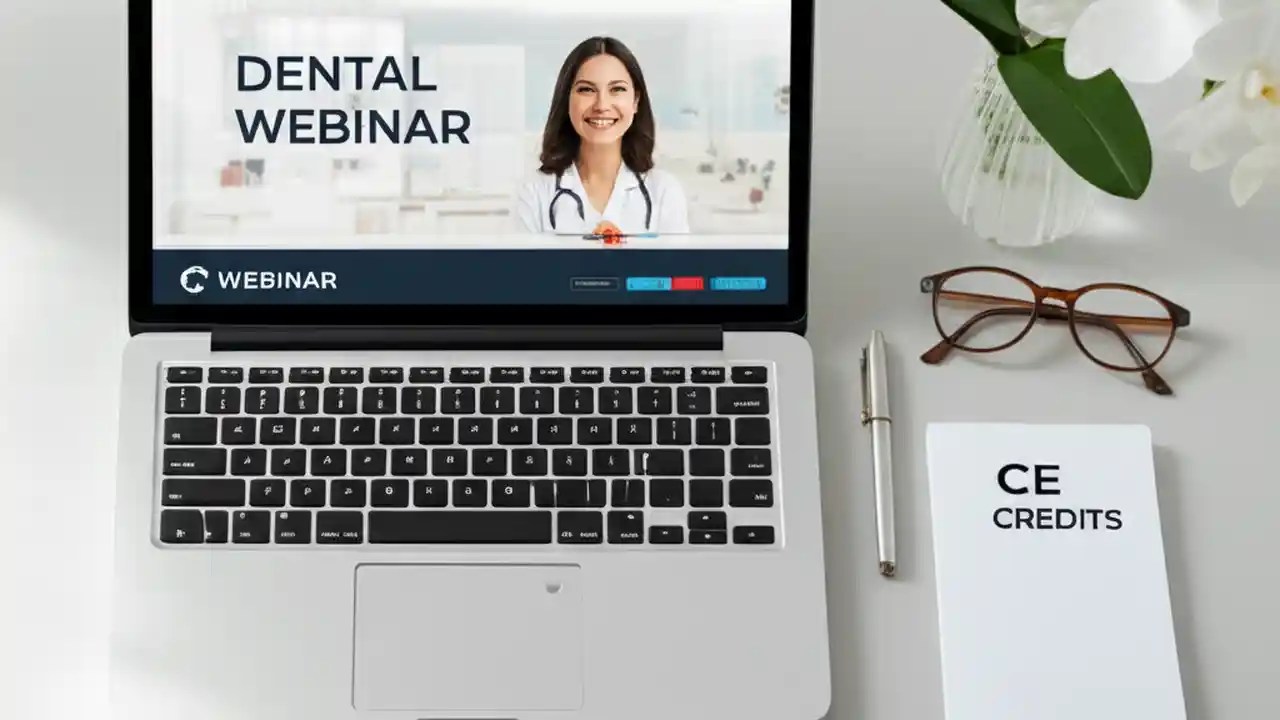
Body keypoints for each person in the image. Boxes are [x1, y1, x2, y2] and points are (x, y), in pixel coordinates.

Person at [516, 36, 690, 237]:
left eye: (617, 89)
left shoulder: (664, 192)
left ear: (635, 101)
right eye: (587, 90)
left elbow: (680, 268)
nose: (601, 105)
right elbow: (520, 269)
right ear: (567, 100)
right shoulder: (534, 192)